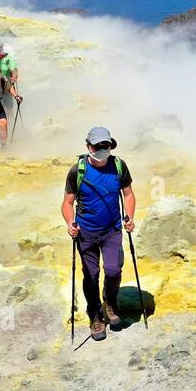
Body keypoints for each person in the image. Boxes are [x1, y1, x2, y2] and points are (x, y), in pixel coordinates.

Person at [62, 127, 136, 341]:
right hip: (86, 233)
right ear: (88, 146)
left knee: (113, 270)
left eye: (106, 145)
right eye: (97, 146)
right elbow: (67, 203)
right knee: (91, 275)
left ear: (111, 145)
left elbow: (128, 194)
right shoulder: (78, 171)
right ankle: (95, 314)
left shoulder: (119, 166)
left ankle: (110, 302)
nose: (102, 149)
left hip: (112, 230)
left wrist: (129, 216)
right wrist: (70, 223)